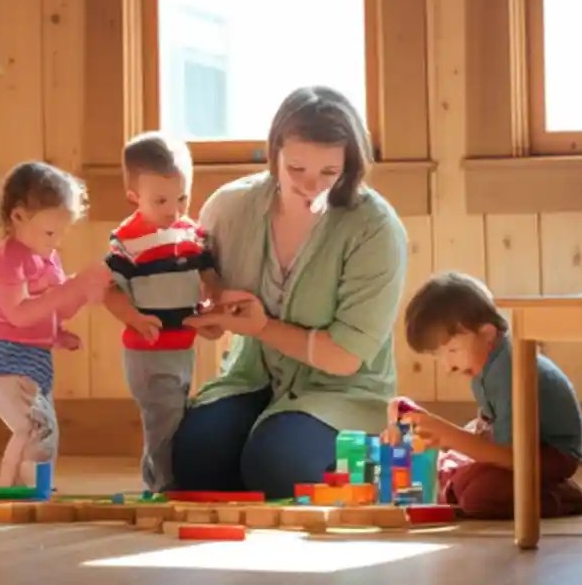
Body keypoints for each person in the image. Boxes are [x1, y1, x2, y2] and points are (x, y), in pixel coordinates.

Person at [171, 85, 409, 499]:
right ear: (274, 153)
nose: (310, 186)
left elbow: (345, 356)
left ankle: (375, 454)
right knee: (197, 459)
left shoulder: (375, 228)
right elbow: (199, 266)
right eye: (296, 169)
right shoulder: (231, 207)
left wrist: (261, 328)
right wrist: (208, 307)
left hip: (343, 388)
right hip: (253, 376)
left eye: (328, 174)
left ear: (349, 168)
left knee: (278, 466)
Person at [387, 270, 582, 518]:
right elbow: (490, 429)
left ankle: (565, 496)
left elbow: (513, 455)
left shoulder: (511, 372)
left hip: (546, 456)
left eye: (453, 350)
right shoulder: (485, 366)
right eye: (439, 355)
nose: (447, 366)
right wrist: (428, 428)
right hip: (513, 448)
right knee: (454, 476)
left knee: (479, 496)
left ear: (487, 334)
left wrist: (450, 437)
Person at [0, 161, 113, 487]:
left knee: (41, 428)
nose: (56, 241)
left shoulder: (47, 256)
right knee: (34, 428)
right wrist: (71, 288)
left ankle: (29, 487)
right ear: (18, 217)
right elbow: (19, 314)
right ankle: (19, 488)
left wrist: (71, 308)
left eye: (61, 233)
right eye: (50, 232)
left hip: (35, 360)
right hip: (7, 360)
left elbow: (56, 307)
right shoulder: (11, 257)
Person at [102, 132, 223, 492]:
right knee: (163, 417)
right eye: (161, 201)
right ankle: (166, 486)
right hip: (147, 349)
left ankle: (156, 479)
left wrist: (211, 301)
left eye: (182, 198)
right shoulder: (127, 241)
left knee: (173, 414)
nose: (174, 209)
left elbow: (206, 272)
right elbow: (109, 292)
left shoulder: (189, 232)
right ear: (134, 197)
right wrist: (135, 319)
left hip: (183, 344)